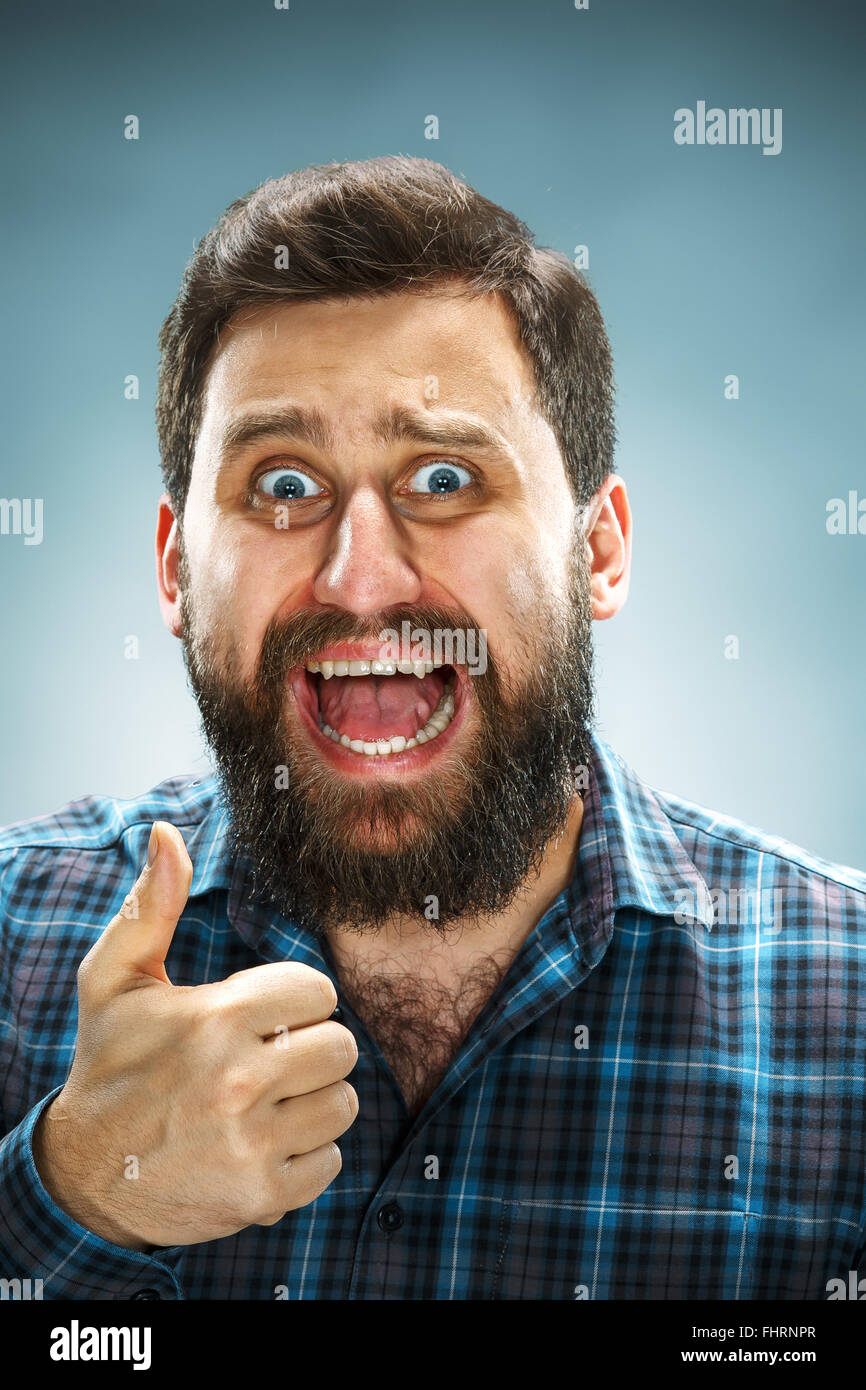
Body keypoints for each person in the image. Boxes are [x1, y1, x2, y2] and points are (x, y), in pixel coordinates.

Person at [1, 156, 863, 1301]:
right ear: (173, 568)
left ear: (596, 550)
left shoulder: (844, 1012)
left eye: (444, 474)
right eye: (281, 486)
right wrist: (70, 1193)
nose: (361, 580)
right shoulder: (14, 945)